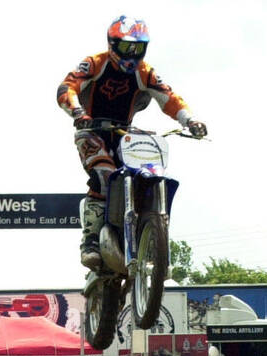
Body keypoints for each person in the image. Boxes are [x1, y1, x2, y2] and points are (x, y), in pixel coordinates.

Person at [59, 16, 207, 269]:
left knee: (146, 173)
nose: (133, 54)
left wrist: (190, 120)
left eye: (139, 48)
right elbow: (67, 87)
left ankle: (150, 234)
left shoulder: (145, 72)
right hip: (91, 128)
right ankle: (91, 241)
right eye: (128, 47)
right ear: (113, 44)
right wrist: (77, 112)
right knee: (104, 174)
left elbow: (169, 98)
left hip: (123, 134)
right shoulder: (95, 63)